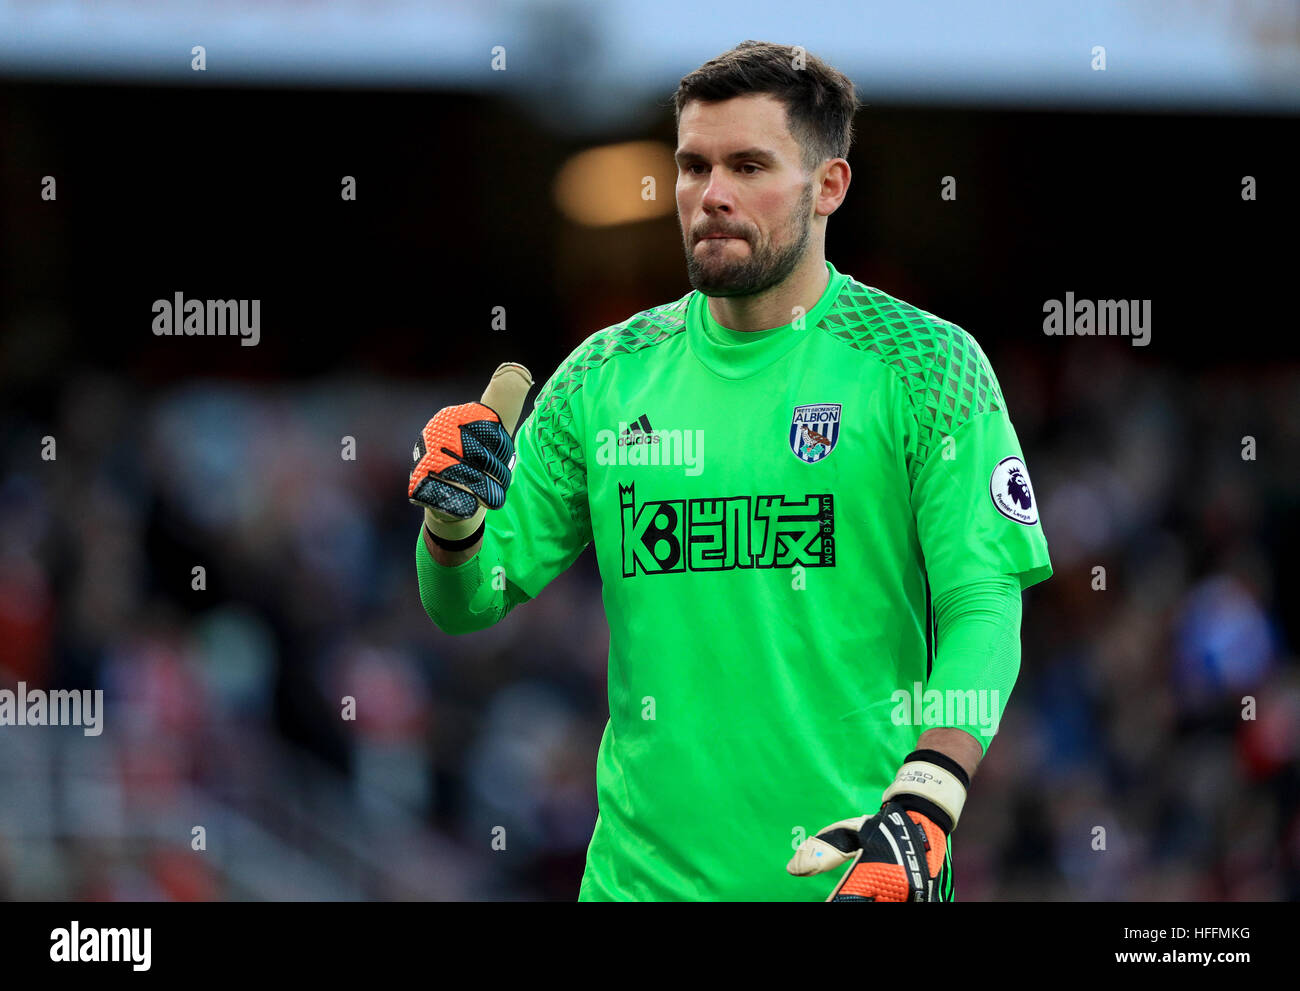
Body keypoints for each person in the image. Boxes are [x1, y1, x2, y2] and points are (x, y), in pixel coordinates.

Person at [410, 40, 1052, 901]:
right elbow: (467, 598)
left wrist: (928, 798)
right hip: (636, 885)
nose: (710, 195)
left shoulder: (927, 364)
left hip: (854, 875)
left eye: (749, 165)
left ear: (829, 187)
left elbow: (983, 601)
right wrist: (452, 520)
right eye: (692, 166)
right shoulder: (605, 375)